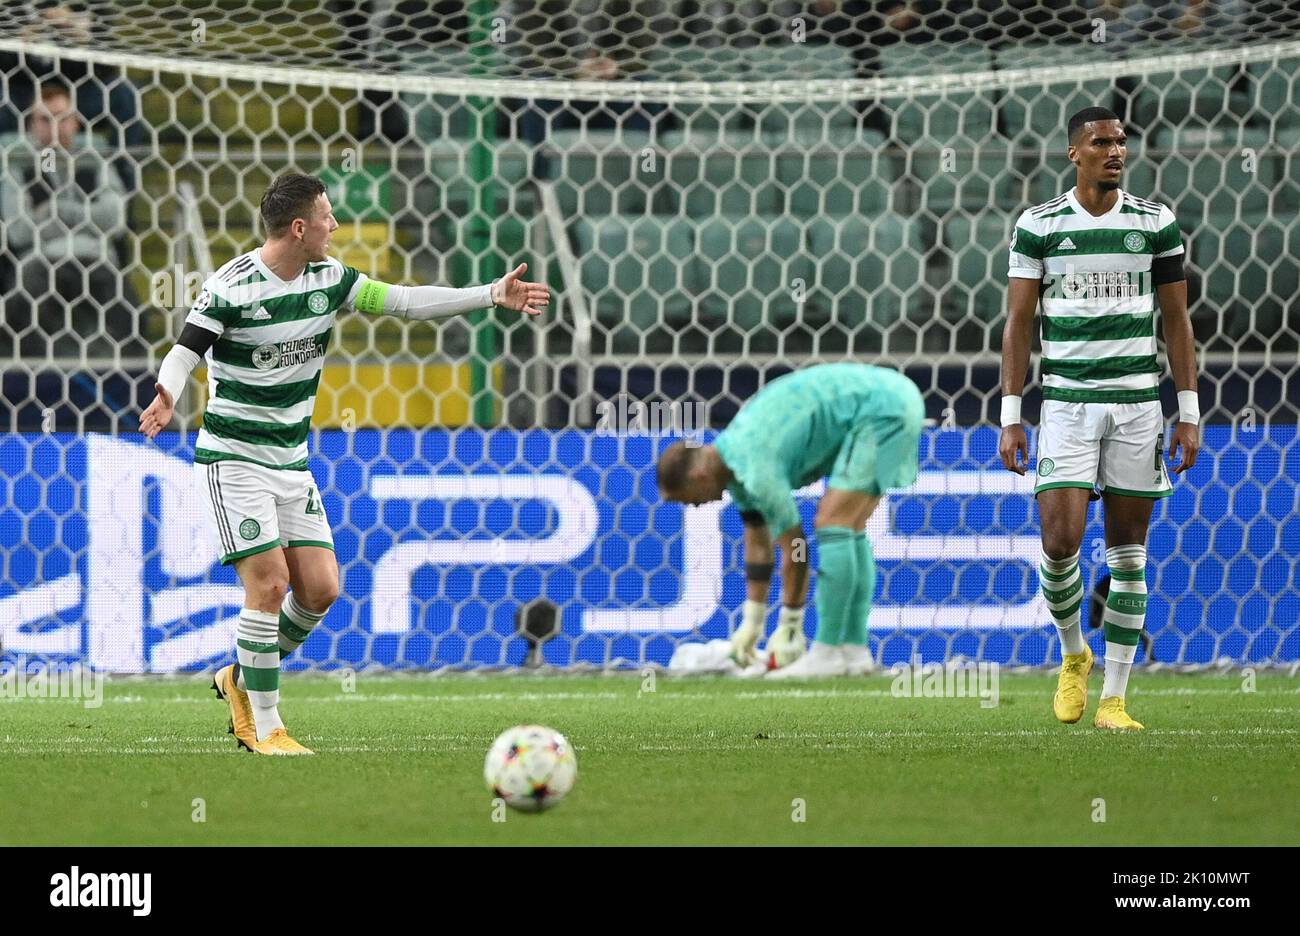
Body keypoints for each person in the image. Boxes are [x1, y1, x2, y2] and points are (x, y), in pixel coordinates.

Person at [138, 172, 549, 754]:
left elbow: (403, 302)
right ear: (300, 227)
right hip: (234, 458)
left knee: (321, 591)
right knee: (270, 584)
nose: (336, 226)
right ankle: (267, 726)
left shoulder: (331, 280)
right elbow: (184, 352)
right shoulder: (230, 287)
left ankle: (238, 676)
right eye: (327, 216)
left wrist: (488, 294)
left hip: (290, 461)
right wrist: (167, 392)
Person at [1000, 106, 1200, 731]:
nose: (1115, 151)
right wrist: (1011, 415)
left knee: (1128, 554)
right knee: (1059, 544)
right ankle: (1072, 655)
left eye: (1121, 142)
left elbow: (1177, 322)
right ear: (1074, 153)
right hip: (1065, 404)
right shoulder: (1038, 226)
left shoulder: (1155, 223)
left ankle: (1114, 698)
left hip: (1140, 405)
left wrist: (1187, 412)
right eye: (1101, 142)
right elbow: (1018, 324)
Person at [657, 362, 925, 678]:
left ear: (697, 476)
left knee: (832, 524)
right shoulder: (734, 464)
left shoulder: (756, 467)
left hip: (881, 410)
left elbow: (795, 548)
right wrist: (751, 625)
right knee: (850, 528)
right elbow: (758, 544)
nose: (693, 506)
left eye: (684, 498)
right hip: (892, 398)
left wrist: (790, 624)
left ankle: (826, 652)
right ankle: (854, 652)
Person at [0, 79, 132, 360]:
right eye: (44, 119)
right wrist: (88, 219)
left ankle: (108, 379)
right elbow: (20, 232)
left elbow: (116, 220)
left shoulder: (97, 159)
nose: (54, 127)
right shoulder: (17, 163)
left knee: (123, 304)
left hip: (94, 258)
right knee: (25, 299)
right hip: (39, 262)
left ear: (76, 122)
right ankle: (36, 380)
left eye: (63, 118)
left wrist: (54, 210)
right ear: (31, 125)